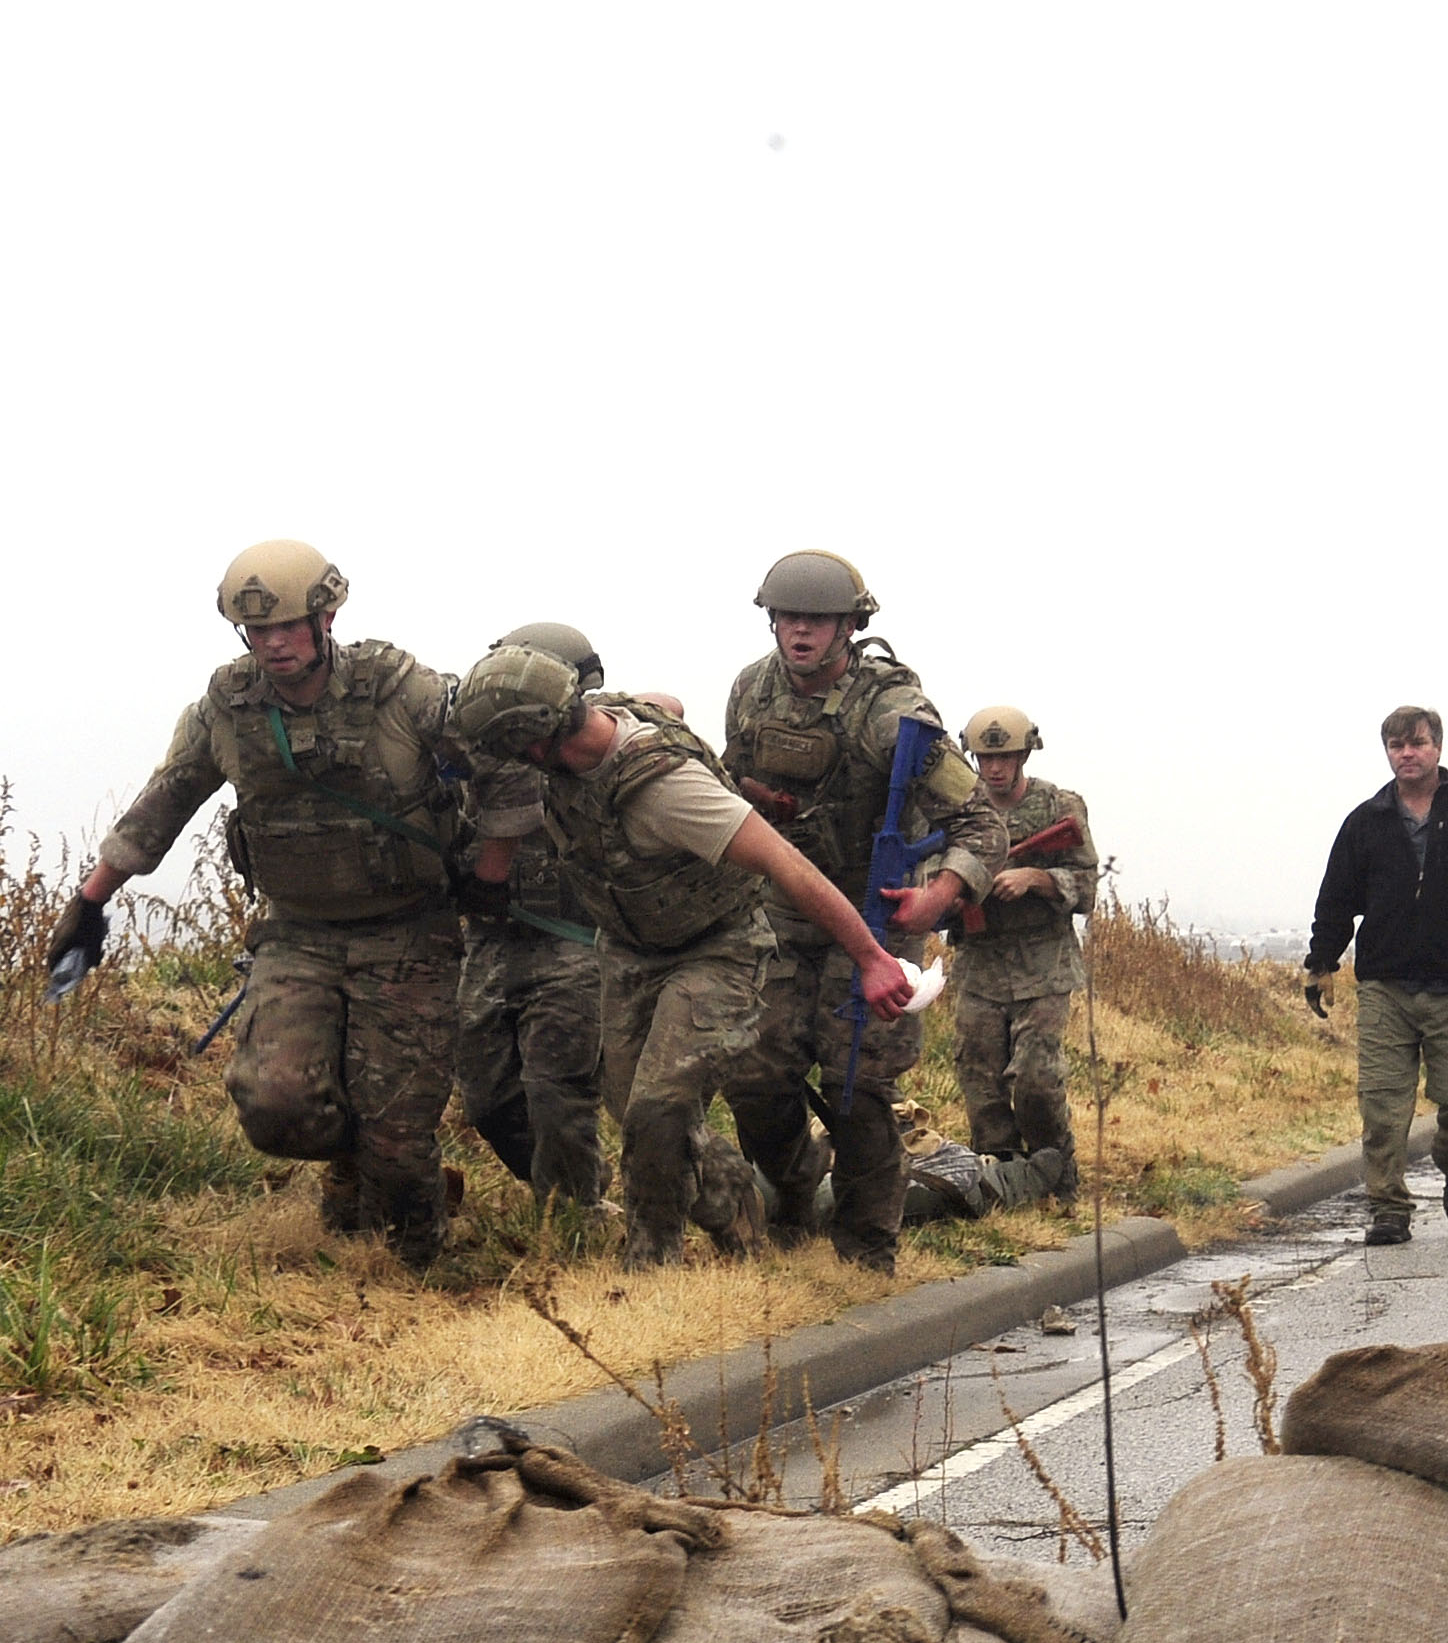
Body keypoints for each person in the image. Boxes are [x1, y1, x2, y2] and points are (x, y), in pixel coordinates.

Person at [59, 542, 517, 1268]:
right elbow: (167, 799)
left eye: (287, 627)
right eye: (256, 631)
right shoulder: (229, 704)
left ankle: (420, 1257)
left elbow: (503, 774)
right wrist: (89, 902)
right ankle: (355, 1164)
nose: (272, 644)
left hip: (409, 933)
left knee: (398, 1138)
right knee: (273, 1109)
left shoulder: (403, 691)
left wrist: (488, 876)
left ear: (327, 616)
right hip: (297, 933)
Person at [454, 644, 914, 1267]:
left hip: (718, 950)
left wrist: (871, 958)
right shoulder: (593, 720)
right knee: (638, 1116)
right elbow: (660, 704)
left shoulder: (668, 789)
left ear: (534, 743)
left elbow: (786, 863)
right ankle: (736, 1200)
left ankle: (652, 1264)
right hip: (628, 950)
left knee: (659, 1108)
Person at [716, 551, 1003, 1272]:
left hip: (875, 916)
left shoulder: (895, 712)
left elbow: (980, 825)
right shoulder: (750, 693)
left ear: (850, 627)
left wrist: (936, 897)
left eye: (819, 619)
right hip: (780, 915)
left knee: (859, 1088)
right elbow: (729, 792)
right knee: (752, 1076)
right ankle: (791, 1192)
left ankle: (865, 1250)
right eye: (789, 617)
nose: (801, 631)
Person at [1304, 706, 1448, 1247]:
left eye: (1418, 743)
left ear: (1438, 748)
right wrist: (1321, 963)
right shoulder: (1365, 822)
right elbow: (1336, 901)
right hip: (1385, 986)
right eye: (1396, 745)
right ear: (1387, 752)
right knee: (1382, 1107)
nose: (1407, 753)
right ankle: (1388, 1207)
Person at [451, 622, 615, 1211]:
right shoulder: (480, 747)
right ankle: (576, 1189)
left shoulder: (604, 750)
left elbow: (662, 707)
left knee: (557, 1091)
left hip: (573, 946)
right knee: (486, 1099)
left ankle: (577, 1212)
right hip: (494, 942)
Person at [950, 707, 1100, 1201]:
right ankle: (1002, 1182)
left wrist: (1035, 879)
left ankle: (1056, 1177)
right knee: (981, 1081)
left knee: (1035, 1080)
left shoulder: (1058, 807)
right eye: (986, 757)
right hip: (980, 964)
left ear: (1023, 755)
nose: (994, 768)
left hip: (1043, 964)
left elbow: (1086, 885)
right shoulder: (956, 811)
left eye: (1005, 756)